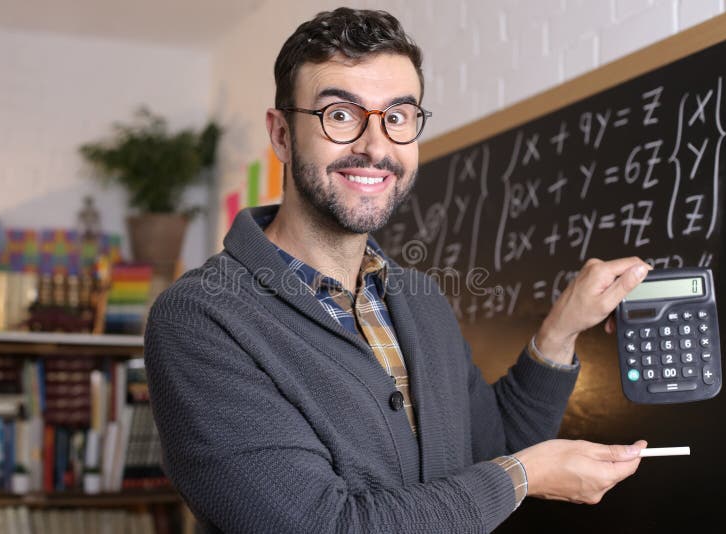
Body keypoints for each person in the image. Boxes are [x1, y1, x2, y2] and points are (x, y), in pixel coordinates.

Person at [144, 7, 651, 533]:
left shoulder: (420, 301)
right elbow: (325, 526)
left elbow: (495, 450)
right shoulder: (201, 318)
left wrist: (561, 332)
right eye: (341, 115)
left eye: (398, 116)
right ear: (281, 135)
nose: (376, 146)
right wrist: (523, 476)